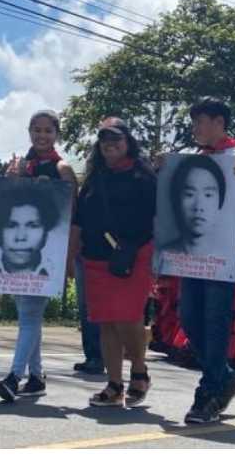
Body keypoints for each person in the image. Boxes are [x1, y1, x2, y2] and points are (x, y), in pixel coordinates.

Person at [179, 97, 235, 424]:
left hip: (226, 250)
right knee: (189, 318)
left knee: (215, 320)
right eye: (194, 122)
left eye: (200, 122)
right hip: (194, 251)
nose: (195, 129)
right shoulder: (196, 158)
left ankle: (209, 393)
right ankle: (224, 376)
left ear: (219, 122)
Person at [0, 110, 78, 401]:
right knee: (29, 316)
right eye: (37, 130)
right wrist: (11, 180)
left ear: (57, 134)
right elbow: (4, 205)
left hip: (47, 255)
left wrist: (68, 260)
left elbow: (72, 216)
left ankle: (14, 377)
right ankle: (36, 376)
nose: (42, 136)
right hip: (17, 253)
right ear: (29, 131)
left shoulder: (62, 169)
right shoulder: (19, 166)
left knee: (29, 315)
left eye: (48, 131)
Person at [74, 119, 156, 408]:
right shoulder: (94, 177)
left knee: (128, 318)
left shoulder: (144, 174)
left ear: (128, 141)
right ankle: (114, 384)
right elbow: (78, 219)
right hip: (95, 258)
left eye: (116, 139)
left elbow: (160, 215)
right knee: (106, 322)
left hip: (135, 256)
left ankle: (139, 372)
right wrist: (71, 255)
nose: (110, 144)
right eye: (104, 140)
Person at [0, 185, 61, 276]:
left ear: (45, 234)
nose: (21, 237)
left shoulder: (58, 273)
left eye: (33, 226)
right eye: (11, 226)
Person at [163, 154, 226, 256]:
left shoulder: (229, 258)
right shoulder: (162, 257)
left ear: (220, 204)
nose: (198, 207)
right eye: (189, 194)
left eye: (208, 195)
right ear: (176, 200)